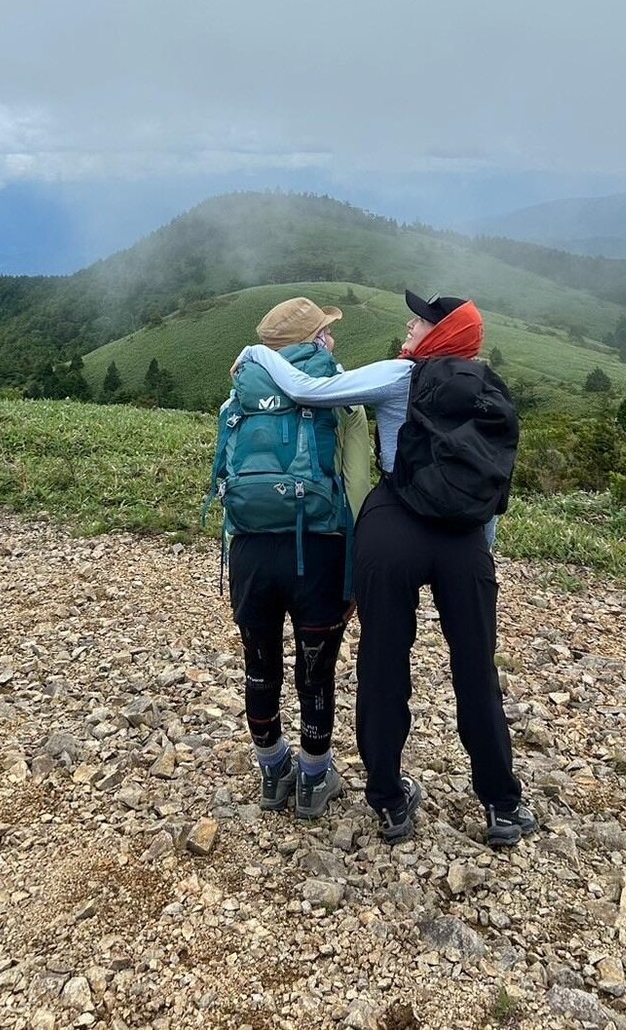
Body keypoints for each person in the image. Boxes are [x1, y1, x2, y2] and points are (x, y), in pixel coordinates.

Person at [231, 290, 535, 847]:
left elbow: (309, 389)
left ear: (438, 334)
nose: (409, 326)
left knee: (383, 662)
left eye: (419, 321)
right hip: (464, 542)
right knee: (475, 669)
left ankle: (390, 801)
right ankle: (501, 804)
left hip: (395, 527)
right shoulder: (491, 390)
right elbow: (489, 484)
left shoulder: (401, 376)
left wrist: (258, 352)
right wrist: (480, 550)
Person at [216, 296, 370, 820]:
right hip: (318, 553)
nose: (332, 337)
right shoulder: (340, 398)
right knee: (316, 670)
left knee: (259, 665)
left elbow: (226, 480)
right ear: (314, 342)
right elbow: (356, 492)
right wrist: (356, 577)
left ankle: (271, 771)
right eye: (326, 331)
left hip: (252, 554)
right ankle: (311, 780)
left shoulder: (236, 398)